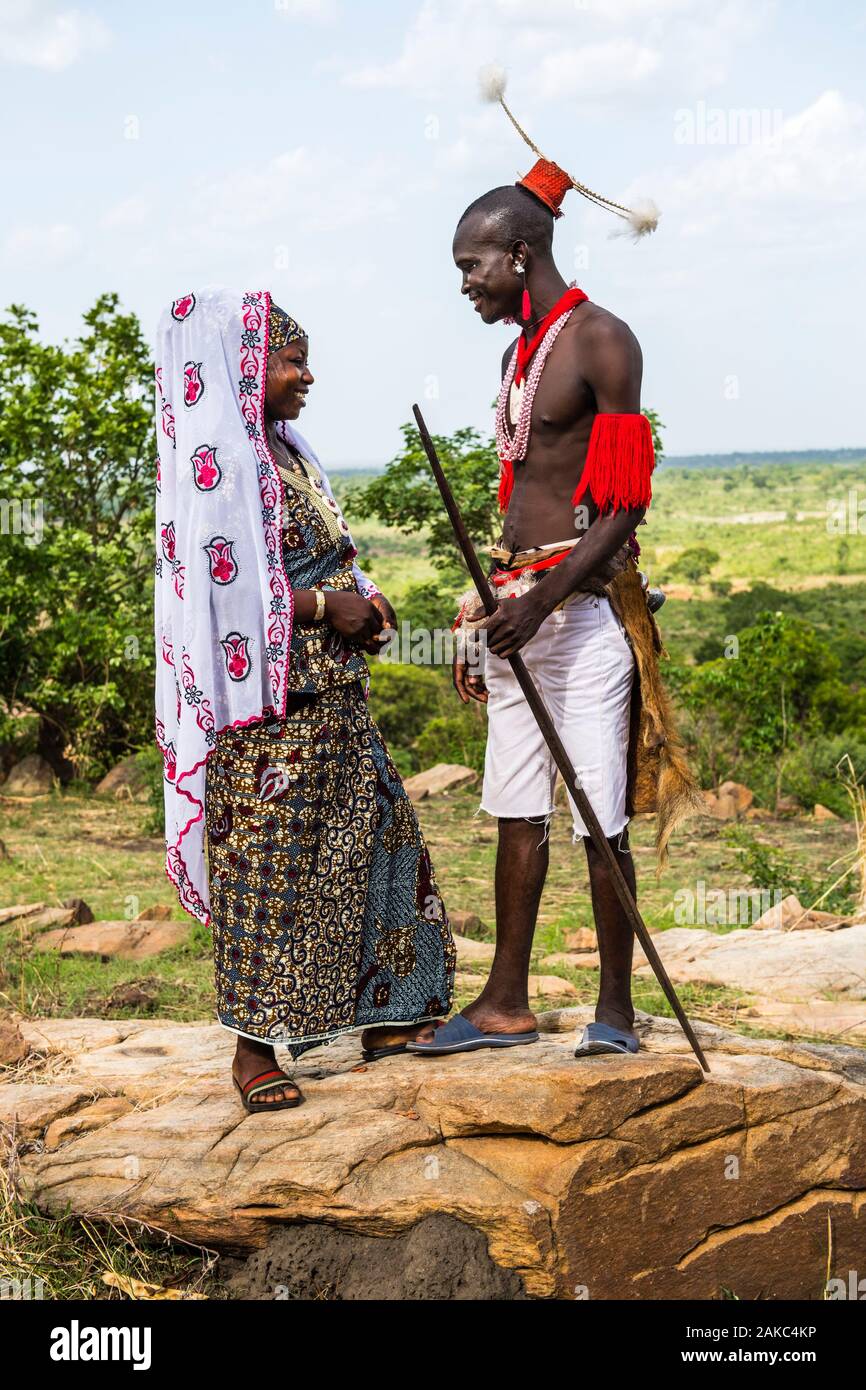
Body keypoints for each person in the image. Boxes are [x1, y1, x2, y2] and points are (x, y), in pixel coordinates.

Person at [408, 74, 700, 1062]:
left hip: (575, 619)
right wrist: (494, 595)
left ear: (517, 253)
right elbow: (523, 495)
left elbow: (621, 507)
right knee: (512, 808)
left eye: (471, 264)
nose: (465, 284)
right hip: (517, 608)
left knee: (597, 817)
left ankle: (615, 1009)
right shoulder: (516, 358)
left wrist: (544, 602)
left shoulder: (601, 339)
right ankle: (503, 1004)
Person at [154, 288, 454, 1111]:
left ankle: (384, 1010)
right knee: (272, 864)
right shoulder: (219, 465)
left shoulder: (287, 450)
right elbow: (218, 599)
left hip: (335, 689)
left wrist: (367, 598)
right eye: (291, 359)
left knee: (375, 836)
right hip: (269, 707)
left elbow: (327, 553)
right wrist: (327, 608)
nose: (308, 375)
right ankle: (255, 1050)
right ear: (244, 367)